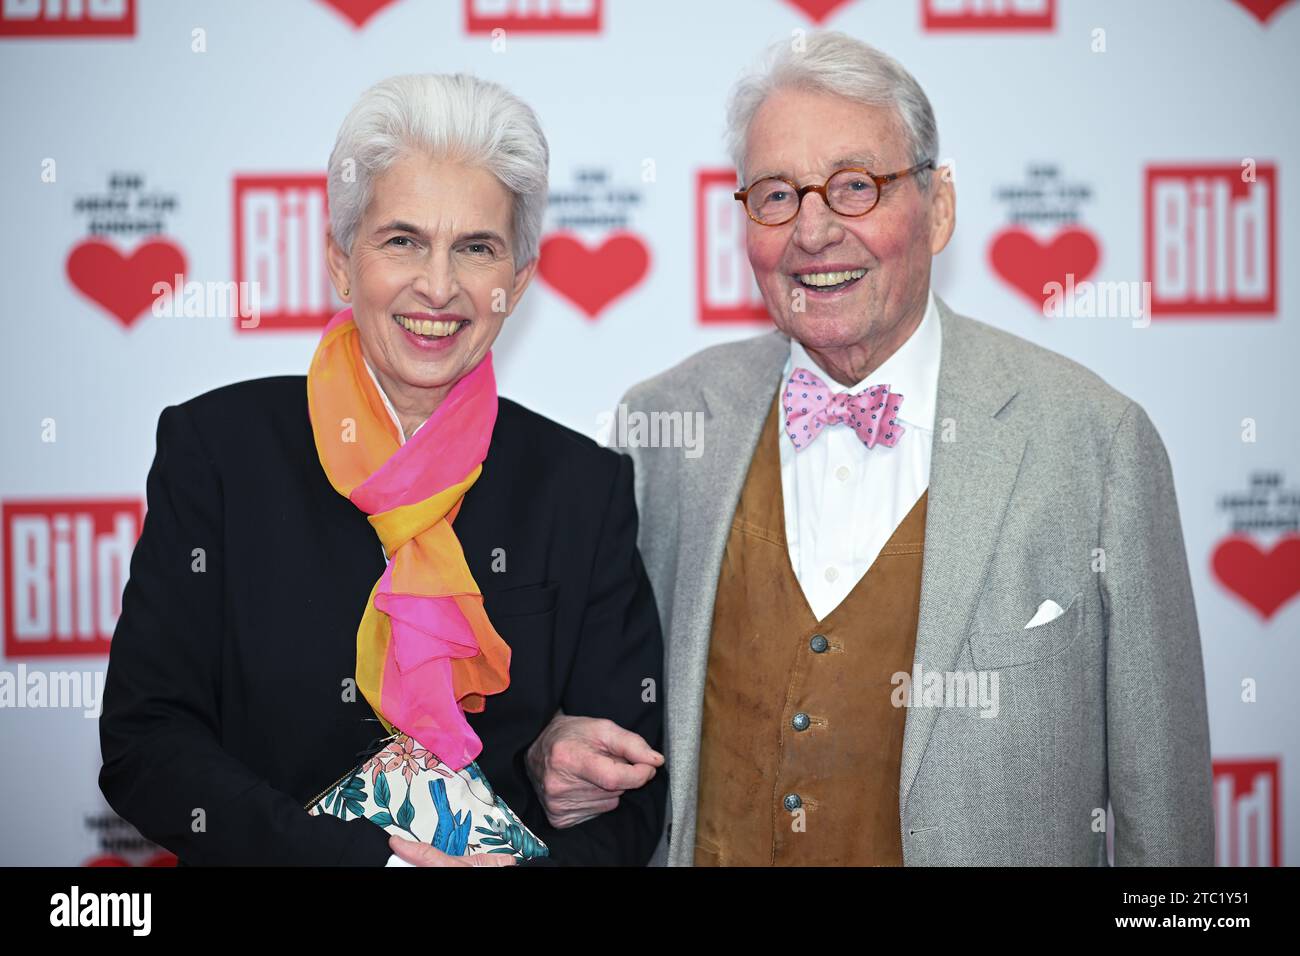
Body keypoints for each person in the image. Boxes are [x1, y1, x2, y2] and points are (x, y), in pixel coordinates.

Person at [608, 32, 1214, 865]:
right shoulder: (664, 426)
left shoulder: (1096, 445)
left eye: (856, 186)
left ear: (940, 208)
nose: (813, 231)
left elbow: (1166, 819)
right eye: (777, 195)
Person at [98, 72, 666, 867]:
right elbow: (147, 742)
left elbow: (632, 805)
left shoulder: (582, 487)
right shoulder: (219, 451)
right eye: (402, 241)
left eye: (476, 248)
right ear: (341, 261)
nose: (438, 286)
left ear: (517, 282)